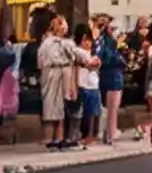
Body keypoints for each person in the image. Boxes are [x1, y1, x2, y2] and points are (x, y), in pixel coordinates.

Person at [38, 16, 98, 150]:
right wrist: (89, 60)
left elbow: (78, 52)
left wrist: (89, 60)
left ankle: (59, 139)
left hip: (61, 74)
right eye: (62, 27)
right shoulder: (48, 43)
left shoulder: (63, 43)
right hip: (52, 75)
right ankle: (50, 139)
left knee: (60, 109)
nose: (64, 29)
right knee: (51, 108)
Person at [96, 24, 127, 144]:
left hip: (113, 76)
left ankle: (109, 131)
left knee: (112, 108)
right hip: (112, 78)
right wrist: (117, 47)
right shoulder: (107, 44)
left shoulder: (110, 45)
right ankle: (111, 133)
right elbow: (107, 58)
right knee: (112, 108)